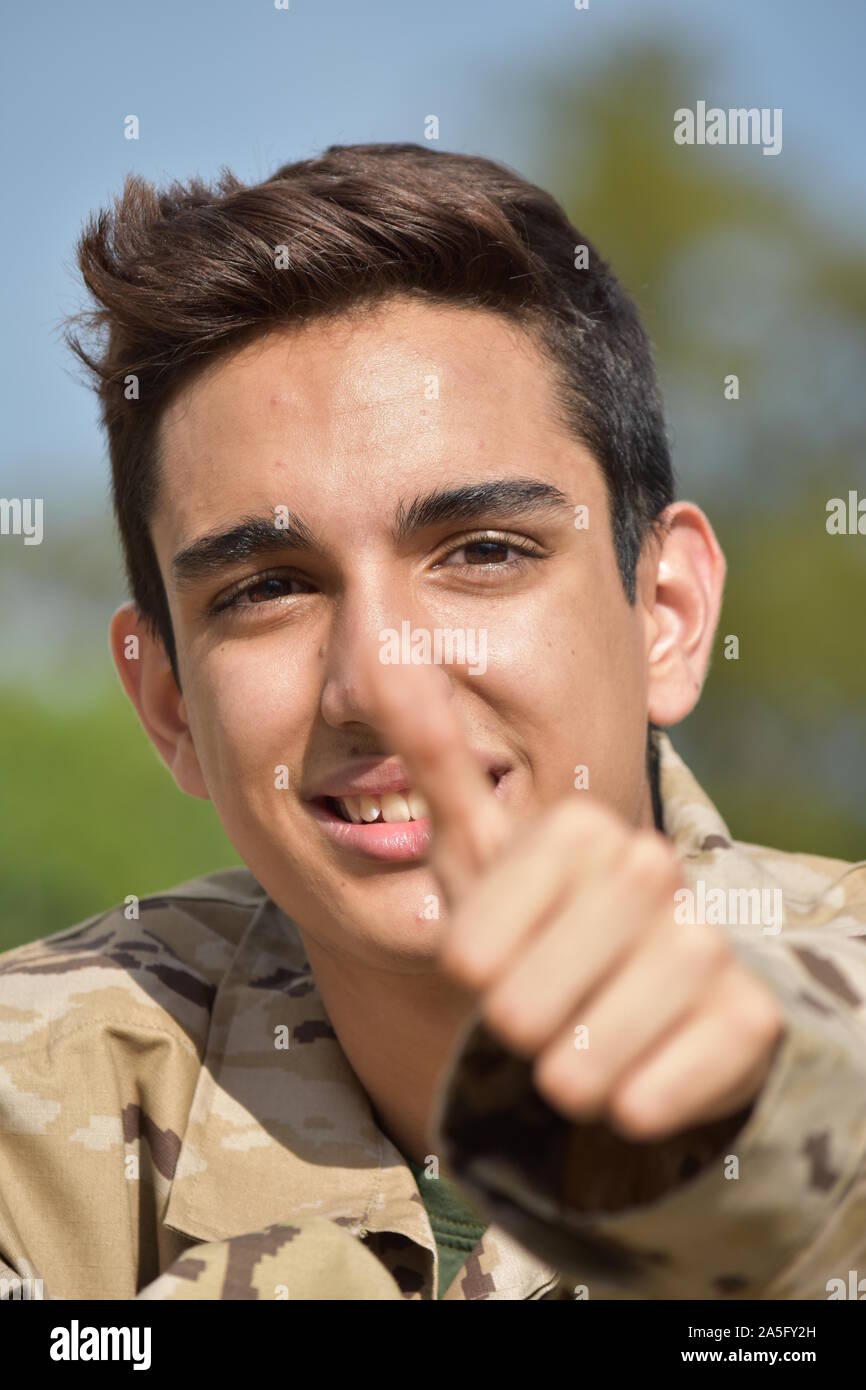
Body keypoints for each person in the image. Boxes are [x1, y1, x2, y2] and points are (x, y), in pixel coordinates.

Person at [1, 143, 864, 1301]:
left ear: (663, 615)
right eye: (267, 587)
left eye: (482, 553)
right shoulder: (30, 1108)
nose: (374, 679)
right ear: (167, 702)